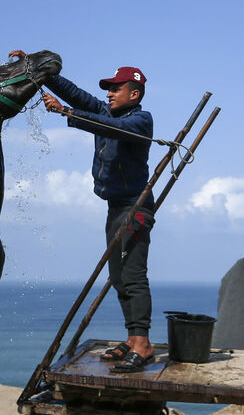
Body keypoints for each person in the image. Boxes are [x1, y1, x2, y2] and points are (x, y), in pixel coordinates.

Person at [19, 50, 157, 373]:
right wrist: (43, 73)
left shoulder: (141, 120)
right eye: (108, 88)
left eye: (115, 89)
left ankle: (143, 344)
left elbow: (108, 128)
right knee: (118, 275)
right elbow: (80, 96)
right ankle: (132, 337)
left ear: (133, 94)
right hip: (116, 208)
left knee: (134, 275)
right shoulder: (108, 113)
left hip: (135, 207)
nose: (108, 93)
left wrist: (66, 112)